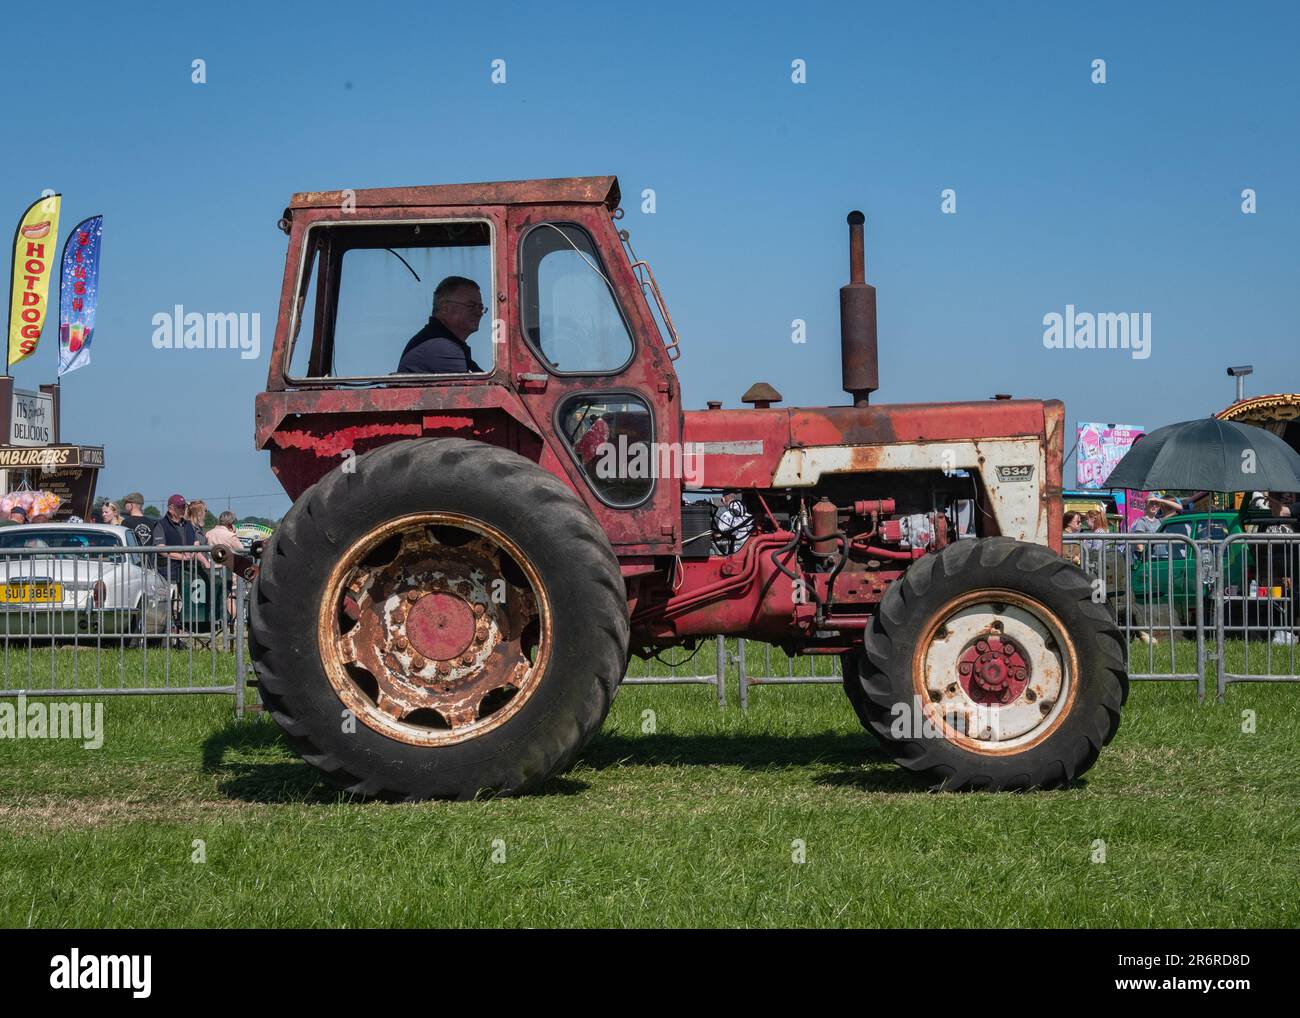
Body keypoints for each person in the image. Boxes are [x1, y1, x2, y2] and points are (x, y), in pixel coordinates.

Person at [396, 276, 486, 374]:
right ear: (445, 308)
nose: (479, 313)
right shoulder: (442, 348)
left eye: (480, 307)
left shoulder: (441, 343)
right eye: (471, 306)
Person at [152, 495, 200, 634]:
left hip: (187, 573)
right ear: (171, 508)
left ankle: (181, 634)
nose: (183, 509)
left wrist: (194, 552)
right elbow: (161, 549)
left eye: (184, 506)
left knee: (183, 605)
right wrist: (182, 557)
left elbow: (196, 543)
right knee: (171, 605)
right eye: (180, 507)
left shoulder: (188, 524)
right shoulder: (161, 525)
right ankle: (170, 635)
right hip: (168, 573)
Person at [206, 511, 244, 622]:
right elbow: (241, 549)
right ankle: (232, 622)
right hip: (229, 570)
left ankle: (216, 621)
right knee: (230, 597)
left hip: (212, 570)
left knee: (215, 596)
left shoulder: (208, 533)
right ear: (230, 523)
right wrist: (234, 533)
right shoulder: (230, 535)